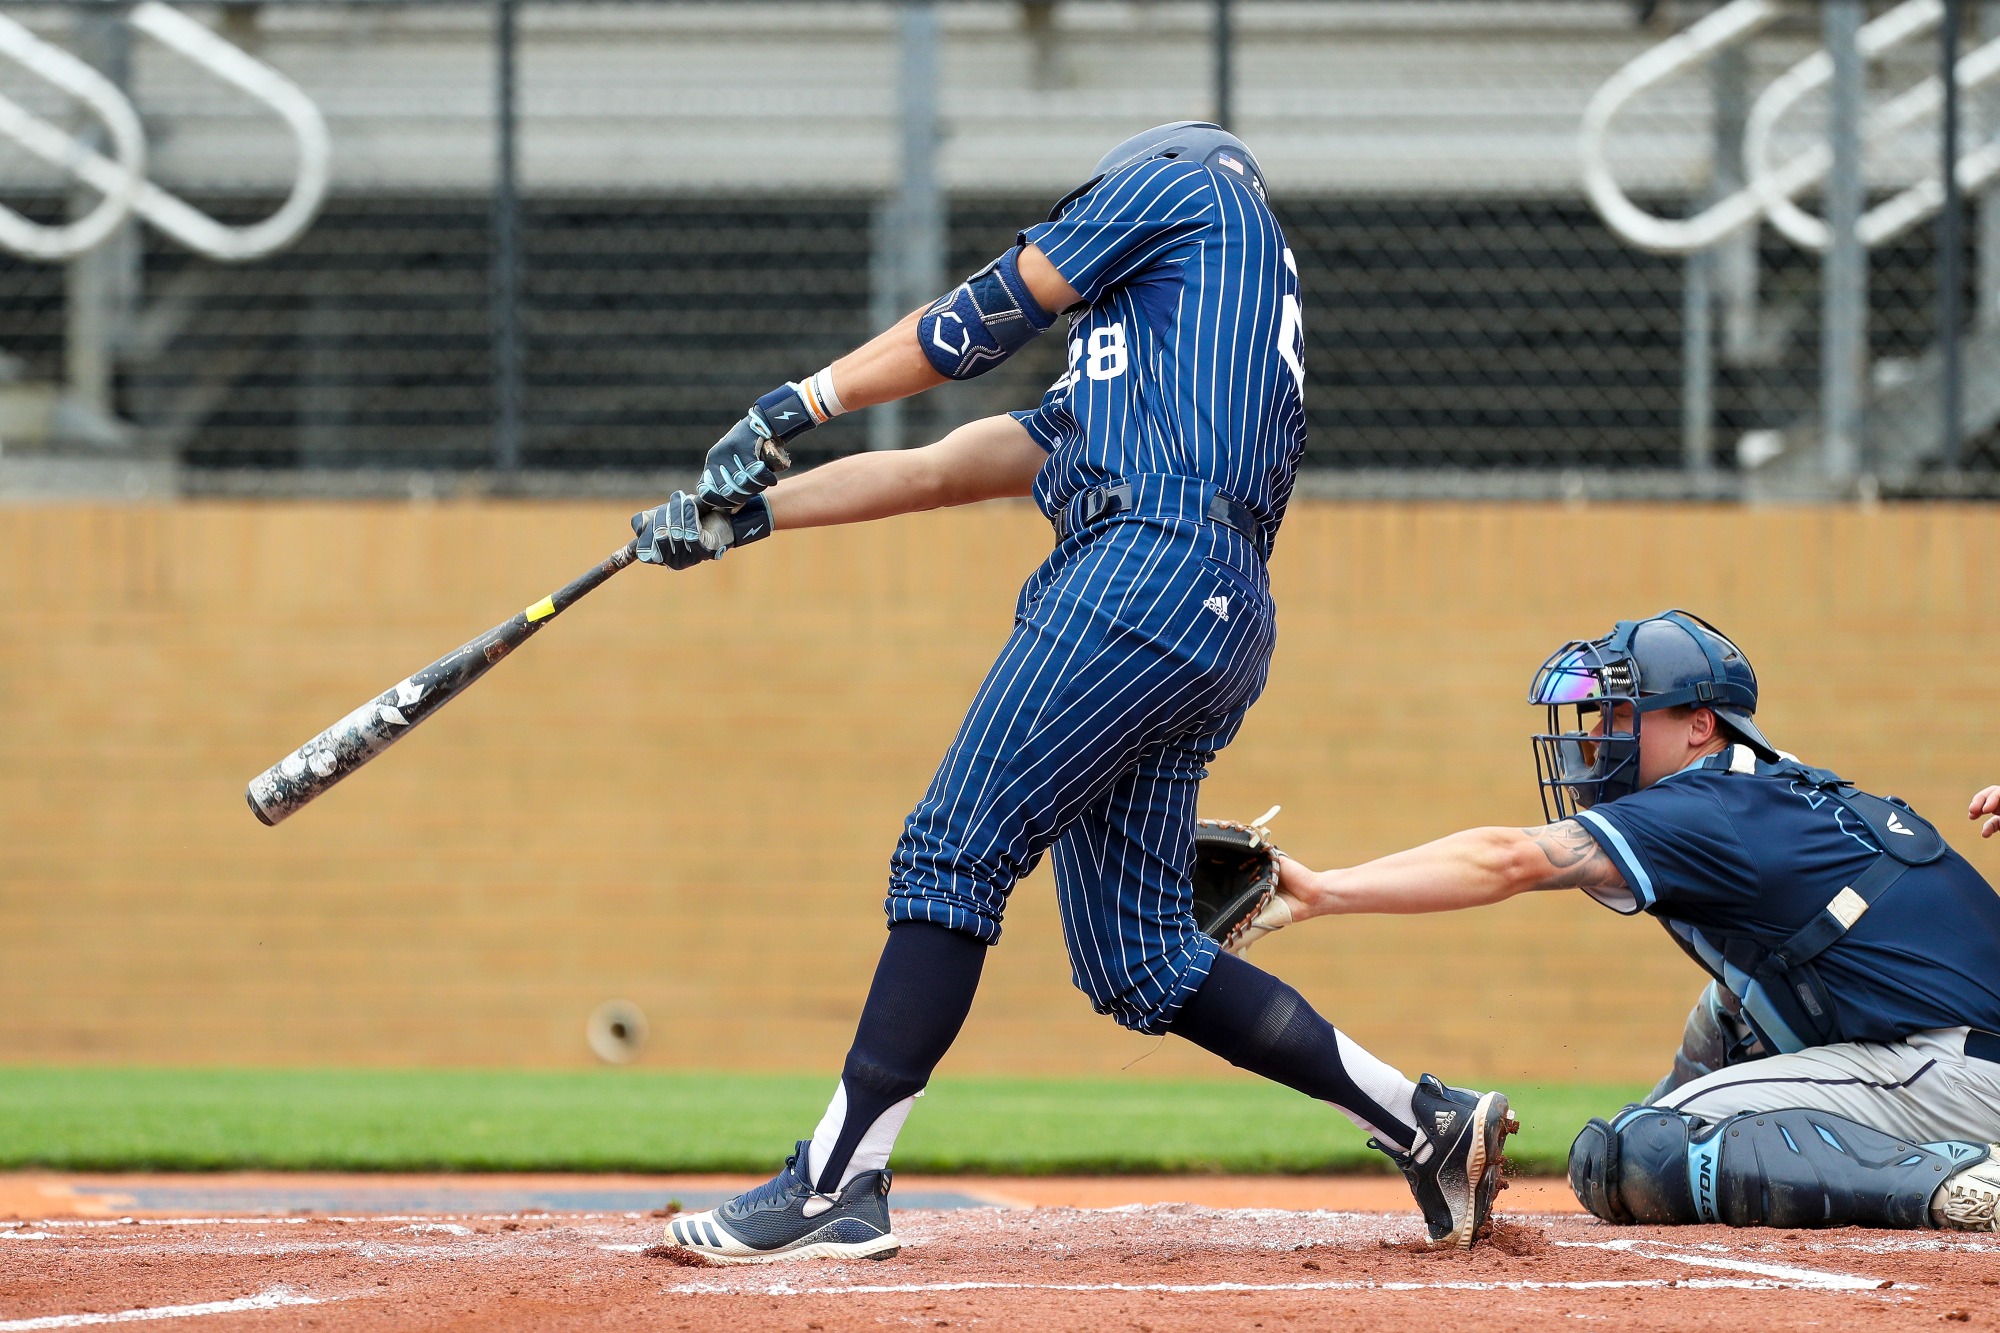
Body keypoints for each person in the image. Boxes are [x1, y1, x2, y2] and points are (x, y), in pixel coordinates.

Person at [626, 123, 1513, 1263]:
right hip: (1211, 608)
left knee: (952, 850)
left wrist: (794, 402)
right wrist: (744, 515)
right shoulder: (1166, 367)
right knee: (1139, 959)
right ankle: (1423, 1123)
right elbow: (943, 468)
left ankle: (838, 1181)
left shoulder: (1187, 190)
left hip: (1136, 572)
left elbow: (978, 317)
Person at [1263, 609, 2000, 1232]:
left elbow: (1508, 859)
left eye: (1620, 712)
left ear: (1699, 725)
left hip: (1962, 1071)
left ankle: (1953, 1182)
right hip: (1945, 1052)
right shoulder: (1766, 794)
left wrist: (1322, 890)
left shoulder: (1707, 807)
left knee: (1633, 1152)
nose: (1594, 734)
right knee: (1726, 1014)